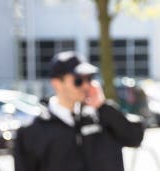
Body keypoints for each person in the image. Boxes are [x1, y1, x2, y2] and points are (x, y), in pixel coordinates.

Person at [14, 51, 144, 171]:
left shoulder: (103, 117)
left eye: (89, 78)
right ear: (57, 83)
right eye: (78, 80)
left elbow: (135, 138)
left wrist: (102, 106)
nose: (86, 85)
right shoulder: (33, 131)